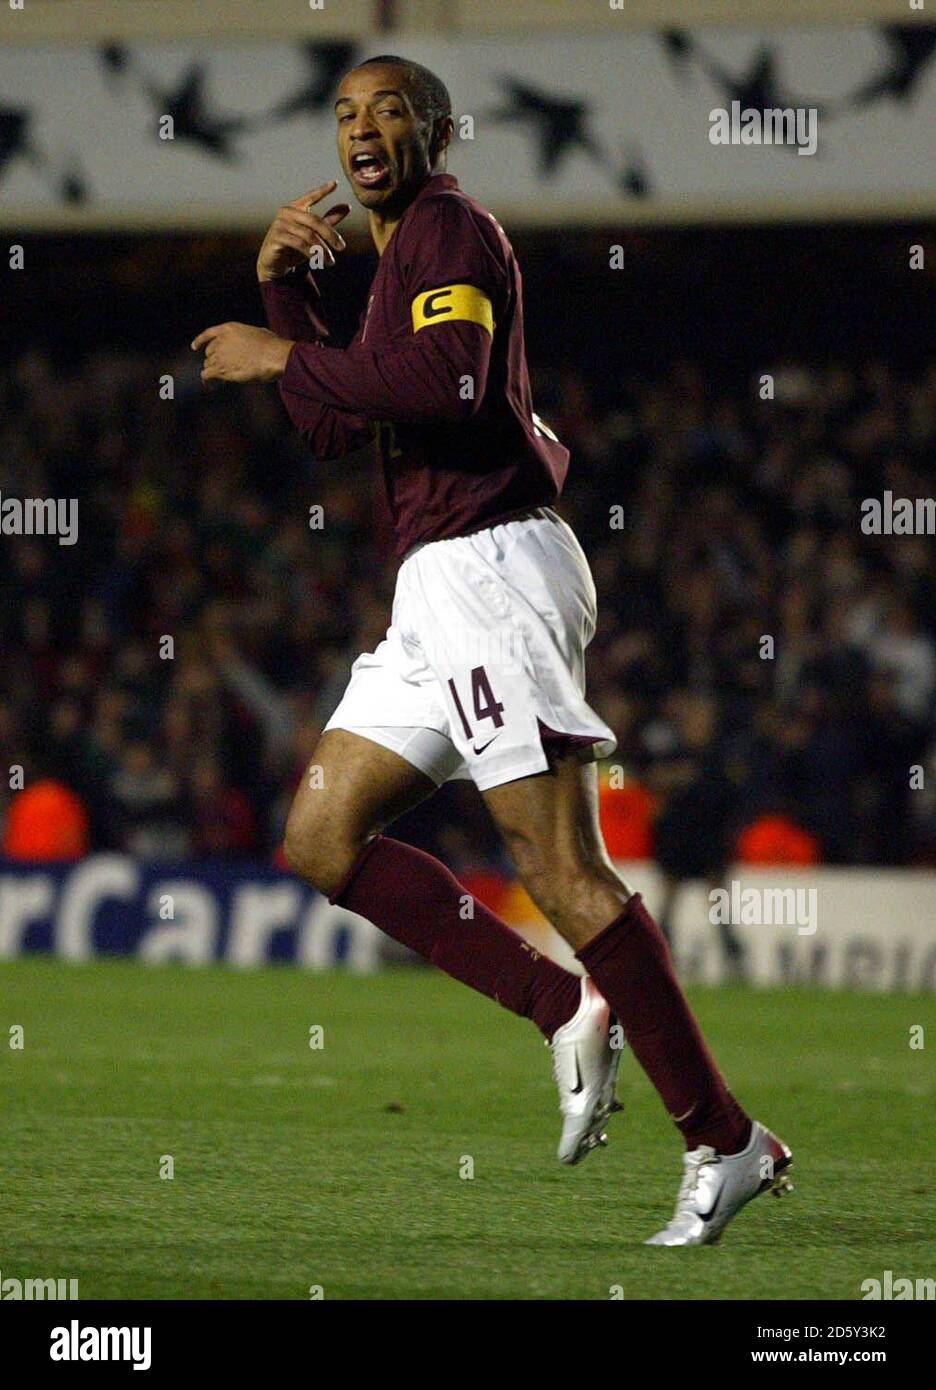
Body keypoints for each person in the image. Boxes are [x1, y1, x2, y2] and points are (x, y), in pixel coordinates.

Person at [191, 54, 791, 1245]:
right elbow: (330, 419)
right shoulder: (392, 263)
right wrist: (288, 302)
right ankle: (565, 1003)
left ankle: (725, 1141)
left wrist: (281, 355)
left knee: (561, 867)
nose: (364, 129)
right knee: (321, 836)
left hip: (491, 564)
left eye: (390, 109)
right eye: (346, 114)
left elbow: (455, 383)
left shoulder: (450, 229)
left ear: (436, 129)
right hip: (436, 584)